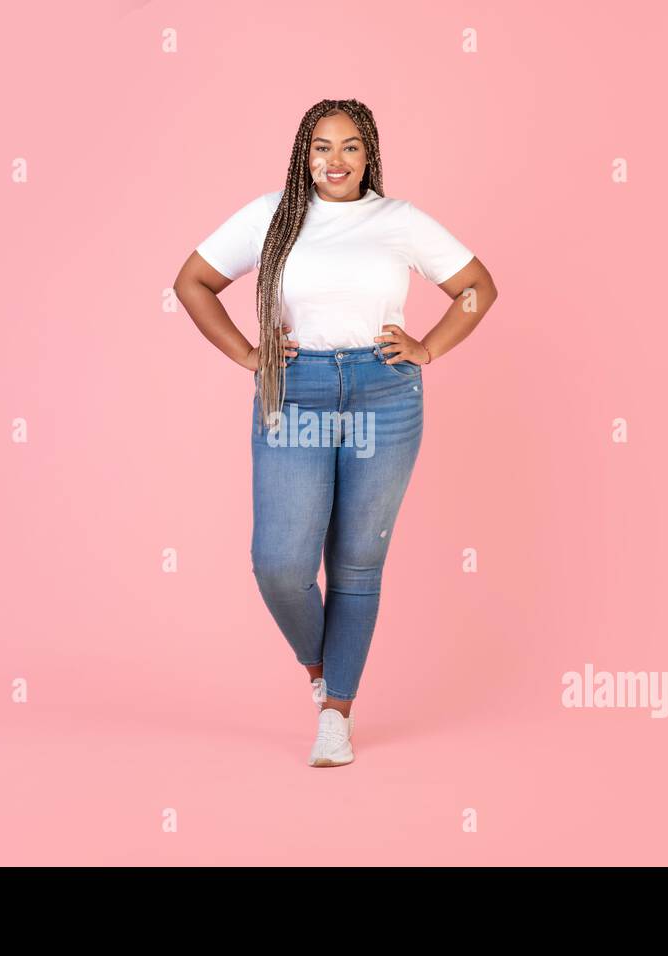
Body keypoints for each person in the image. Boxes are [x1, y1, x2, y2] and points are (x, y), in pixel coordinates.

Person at [173, 98, 499, 766]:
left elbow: (477, 288)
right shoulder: (272, 216)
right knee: (281, 563)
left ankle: (336, 715)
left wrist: (428, 348)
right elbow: (194, 282)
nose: (335, 161)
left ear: (369, 153)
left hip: (384, 395)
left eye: (350, 147)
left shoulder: (397, 220)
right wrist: (248, 353)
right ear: (304, 153)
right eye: (322, 147)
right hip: (295, 394)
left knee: (356, 564)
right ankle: (322, 666)